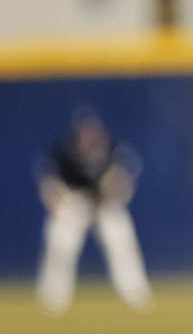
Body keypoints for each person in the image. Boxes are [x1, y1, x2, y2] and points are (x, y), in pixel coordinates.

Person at [33, 106, 152, 315]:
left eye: (92, 130)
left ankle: (135, 292)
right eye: (83, 131)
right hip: (74, 200)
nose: (88, 136)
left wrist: (116, 189)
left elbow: (129, 173)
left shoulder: (112, 148)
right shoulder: (64, 152)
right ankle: (52, 296)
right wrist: (57, 201)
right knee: (60, 244)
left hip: (104, 202)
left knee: (121, 242)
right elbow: (45, 175)